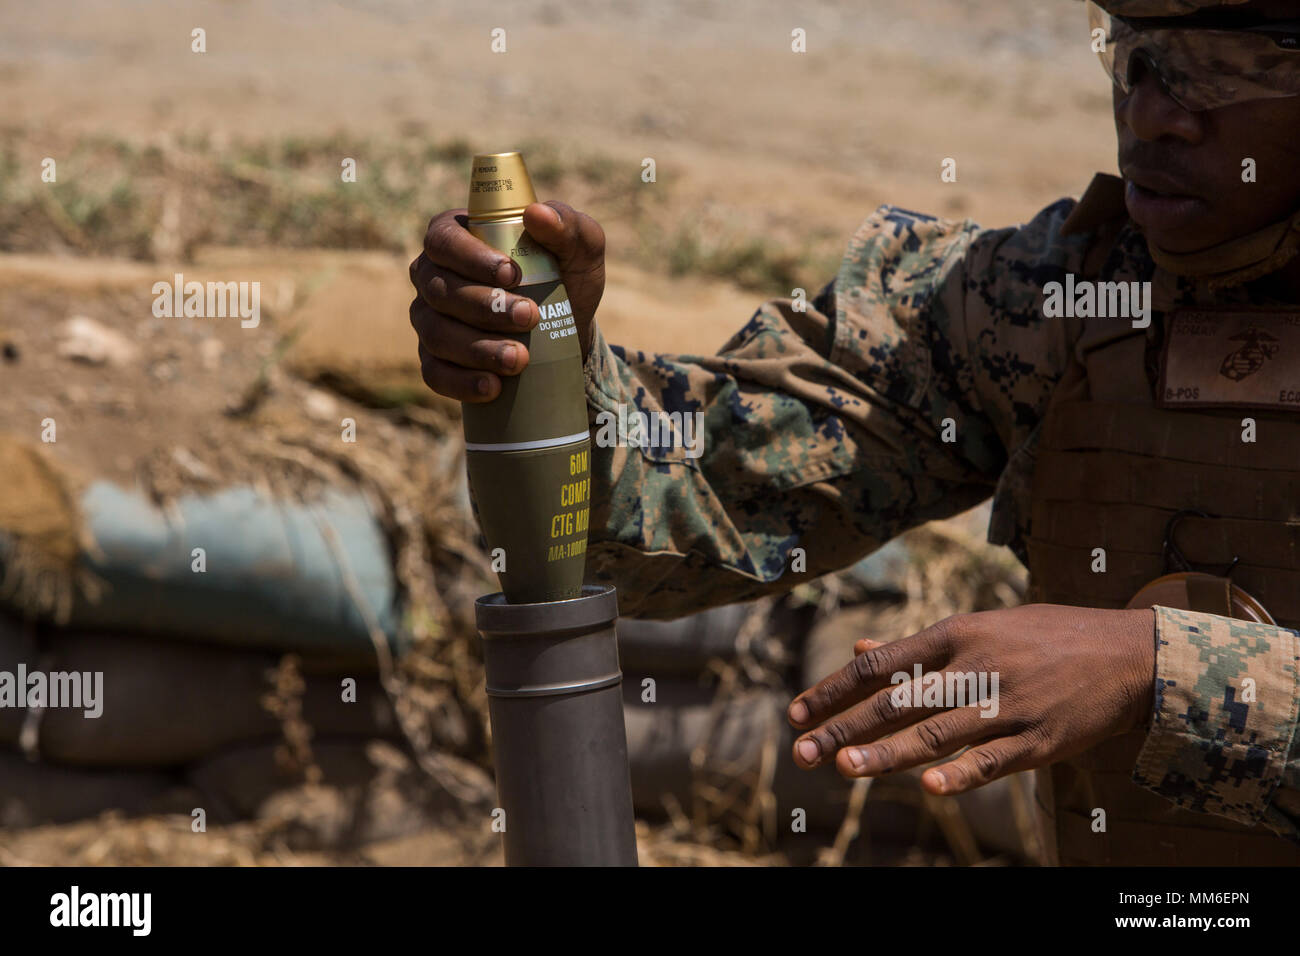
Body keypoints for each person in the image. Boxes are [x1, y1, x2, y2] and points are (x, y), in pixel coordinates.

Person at [409, 0, 1300, 865]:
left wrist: (1156, 668)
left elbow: (1150, 667)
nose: (1150, 113)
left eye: (1217, 70)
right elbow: (700, 494)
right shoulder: (1055, 300)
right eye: (1134, 53)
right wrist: (551, 366)